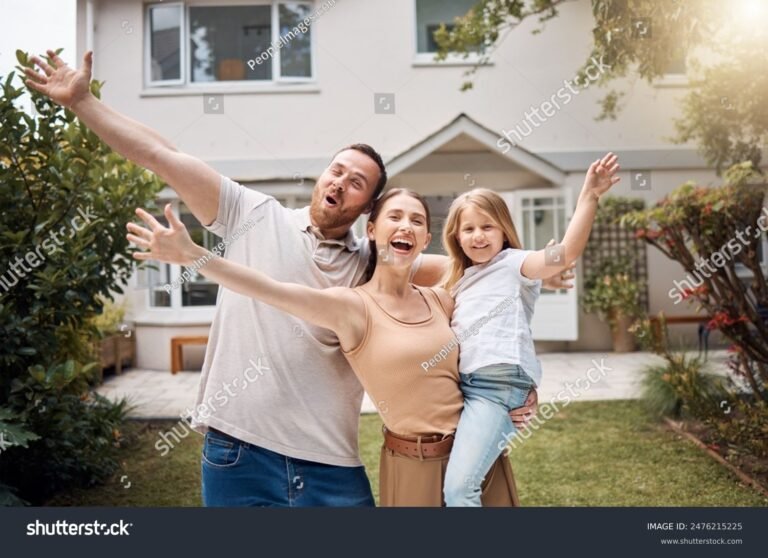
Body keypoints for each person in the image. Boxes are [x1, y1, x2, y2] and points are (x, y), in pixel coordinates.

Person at [25, 50, 564, 506]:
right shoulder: (251, 214)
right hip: (239, 450)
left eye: (357, 183)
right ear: (323, 177)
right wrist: (83, 102)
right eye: (337, 170)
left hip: (332, 462)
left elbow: (478, 275)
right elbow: (164, 155)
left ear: (365, 211)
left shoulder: (373, 264)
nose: (341, 183)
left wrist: (510, 381)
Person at [128, 188, 544, 505]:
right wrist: (195, 257)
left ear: (426, 238)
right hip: (411, 463)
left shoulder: (443, 298)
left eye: (417, 221)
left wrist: (519, 391)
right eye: (395, 216)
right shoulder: (351, 307)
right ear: (372, 230)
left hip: (476, 456)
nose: (406, 226)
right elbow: (269, 289)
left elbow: (499, 331)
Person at [441, 154, 621, 506]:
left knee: (459, 490)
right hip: (470, 387)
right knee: (461, 481)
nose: (478, 235)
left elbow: (564, 255)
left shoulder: (513, 264)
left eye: (488, 226)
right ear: (457, 237)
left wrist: (589, 196)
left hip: (497, 387)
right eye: (469, 228)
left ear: (504, 229)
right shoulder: (460, 279)